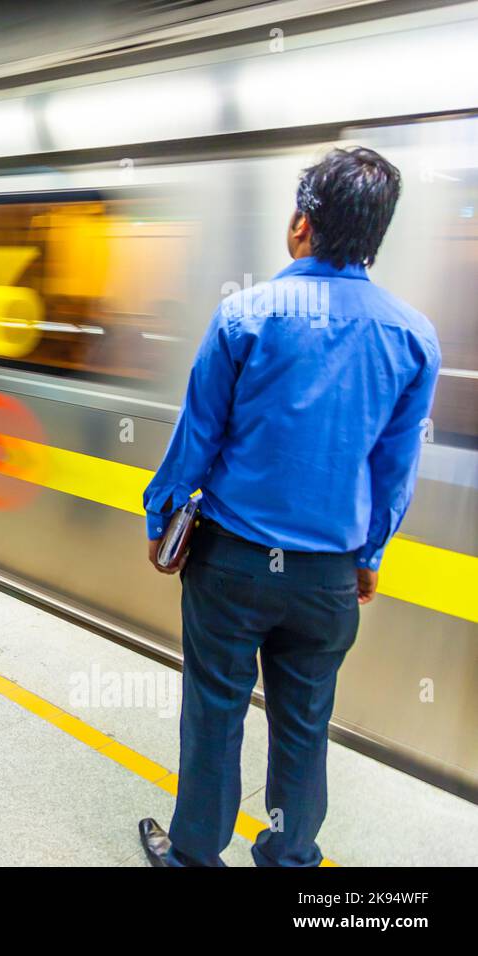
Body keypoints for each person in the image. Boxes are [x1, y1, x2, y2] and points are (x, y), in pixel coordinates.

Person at [138, 147, 440, 867]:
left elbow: (197, 440)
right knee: (305, 725)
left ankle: (193, 856)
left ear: (302, 224)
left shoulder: (246, 314)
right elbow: (395, 468)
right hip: (328, 578)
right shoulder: (412, 336)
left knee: (214, 713)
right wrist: (369, 556)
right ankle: (290, 856)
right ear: (375, 237)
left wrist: (162, 521)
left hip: (232, 565)